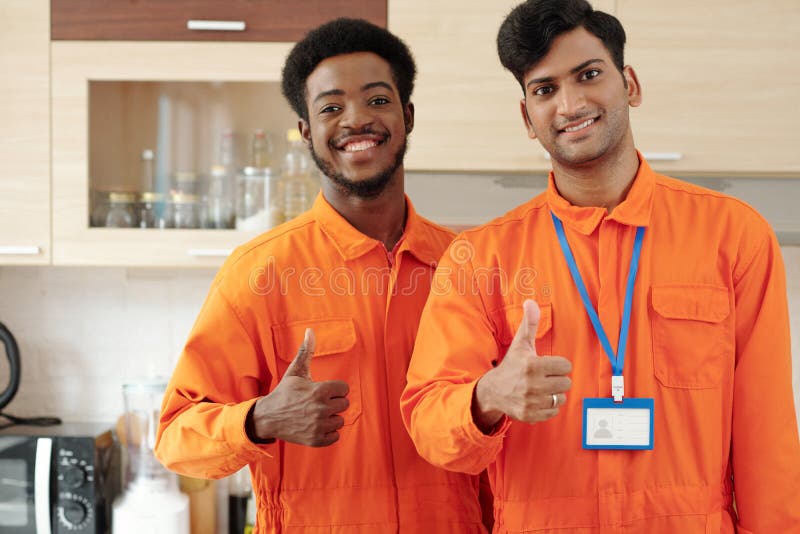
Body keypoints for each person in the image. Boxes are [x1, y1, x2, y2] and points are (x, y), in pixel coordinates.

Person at [400, 0, 800, 532]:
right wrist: (487, 397)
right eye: (544, 89)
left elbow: (766, 432)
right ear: (528, 118)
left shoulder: (733, 235)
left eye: (589, 74)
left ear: (629, 84)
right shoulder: (479, 258)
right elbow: (430, 424)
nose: (570, 104)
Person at [155, 18, 489, 533]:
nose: (356, 120)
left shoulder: (467, 265)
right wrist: (260, 419)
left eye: (378, 100)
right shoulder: (260, 272)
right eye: (331, 107)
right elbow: (177, 438)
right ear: (307, 132)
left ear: (408, 115)